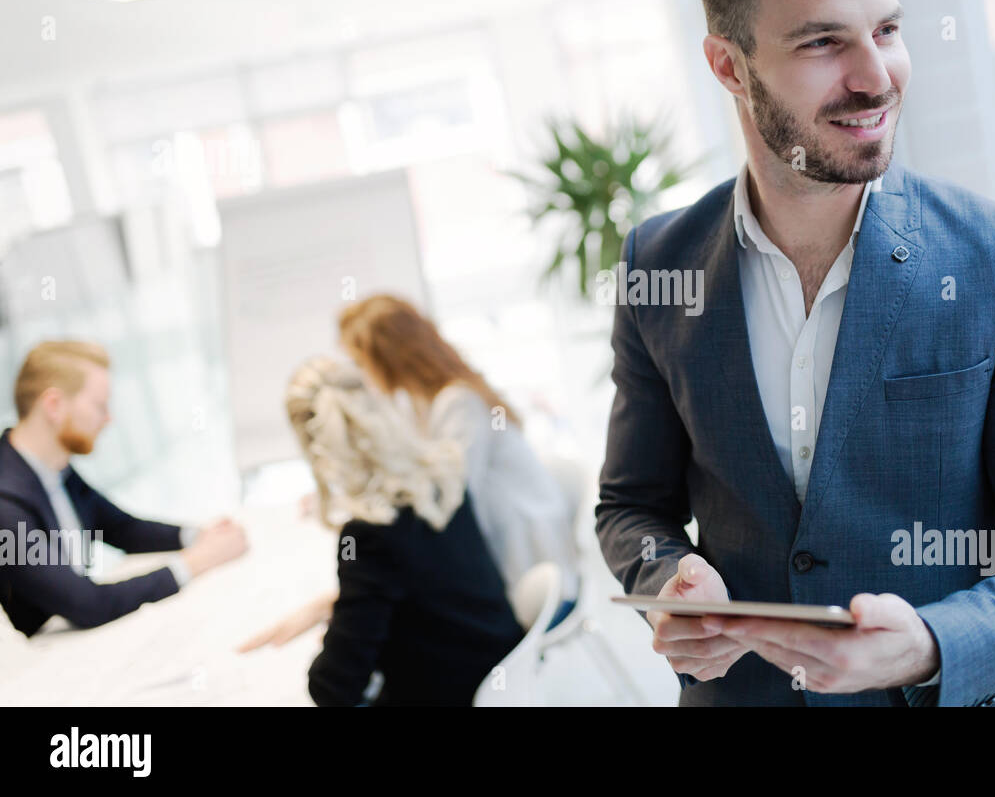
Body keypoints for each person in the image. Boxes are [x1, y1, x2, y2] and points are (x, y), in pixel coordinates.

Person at [595, 0, 995, 707]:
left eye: (886, 30)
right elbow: (630, 505)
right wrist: (667, 577)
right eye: (823, 42)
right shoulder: (658, 266)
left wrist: (931, 643)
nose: (876, 77)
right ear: (729, 66)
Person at [239, 295, 580, 650]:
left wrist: (344, 600)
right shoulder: (424, 403)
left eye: (361, 362)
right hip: (501, 561)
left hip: (524, 572)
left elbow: (445, 511)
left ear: (388, 357)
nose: (360, 375)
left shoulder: (458, 404)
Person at [285, 355, 524, 706]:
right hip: (508, 671)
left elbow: (334, 688)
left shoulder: (367, 535)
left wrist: (335, 637)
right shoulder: (442, 473)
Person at [0, 340, 247, 636]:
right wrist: (195, 562)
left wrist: (198, 535)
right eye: (99, 405)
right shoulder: (6, 503)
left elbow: (121, 528)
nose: (108, 419)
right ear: (53, 405)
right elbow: (88, 604)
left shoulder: (51, 469)